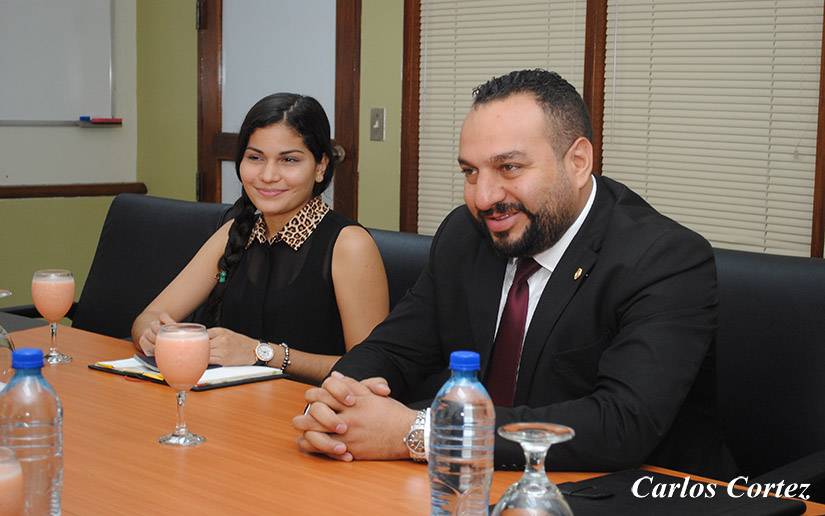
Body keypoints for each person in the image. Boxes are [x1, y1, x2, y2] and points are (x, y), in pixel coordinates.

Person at [292, 69, 736, 477]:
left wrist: (426, 433)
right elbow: (395, 348)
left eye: (509, 167)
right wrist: (340, 403)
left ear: (578, 161)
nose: (484, 197)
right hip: (484, 482)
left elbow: (621, 424)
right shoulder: (466, 235)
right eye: (470, 172)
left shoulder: (664, 258)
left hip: (632, 491)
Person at [131, 93, 389, 385]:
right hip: (231, 407)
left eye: (289, 160)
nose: (268, 175)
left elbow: (371, 369)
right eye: (255, 158)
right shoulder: (236, 230)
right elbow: (148, 316)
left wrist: (262, 353)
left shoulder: (349, 244)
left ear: (320, 167)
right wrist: (153, 334)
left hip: (310, 414)